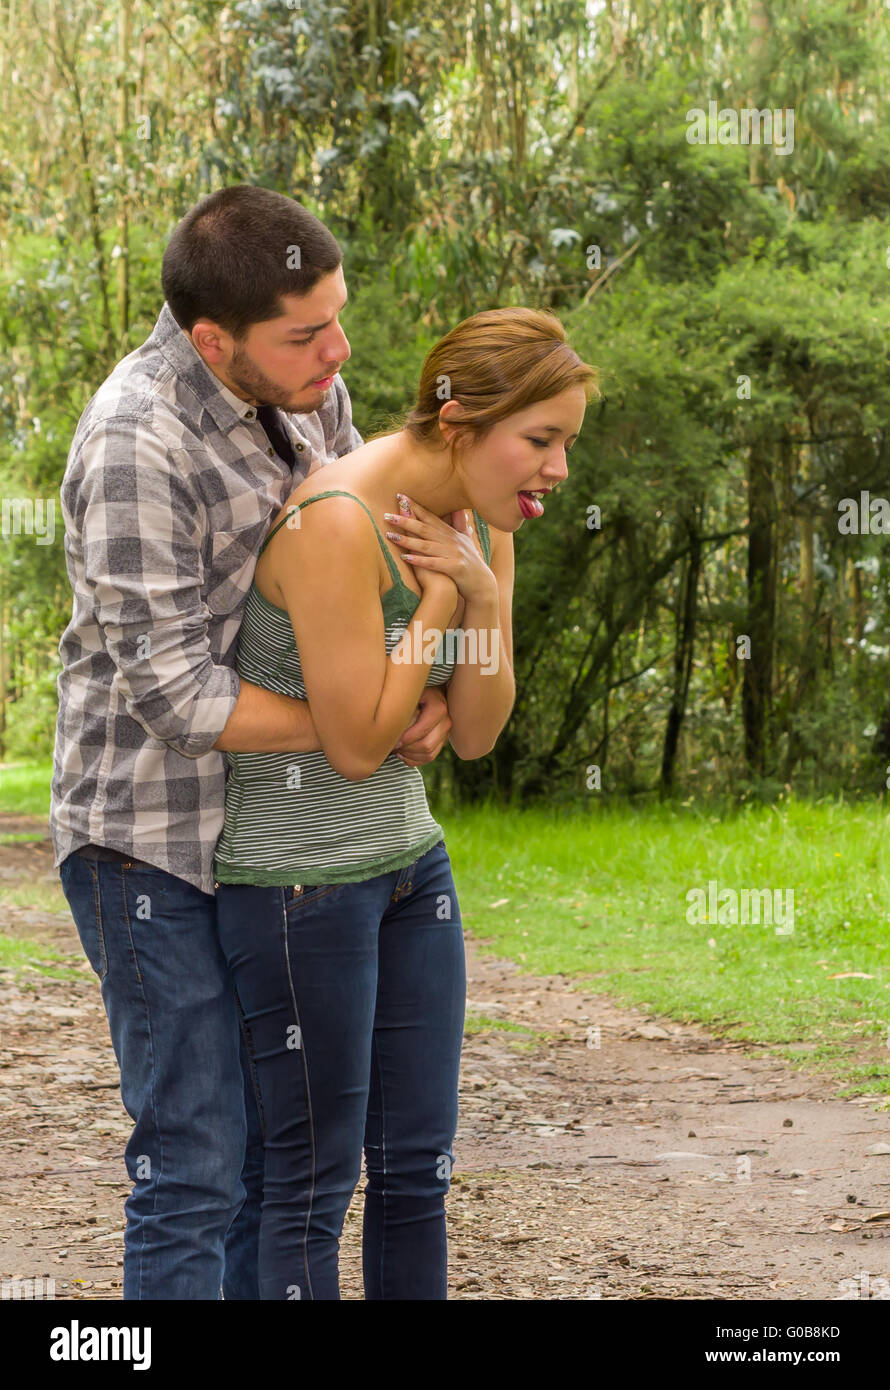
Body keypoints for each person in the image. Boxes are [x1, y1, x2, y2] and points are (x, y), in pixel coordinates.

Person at [50, 183, 454, 1300]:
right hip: (149, 840)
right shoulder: (137, 437)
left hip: (268, 849)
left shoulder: (313, 395)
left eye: (338, 315)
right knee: (196, 1156)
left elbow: (373, 567)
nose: (339, 349)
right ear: (211, 337)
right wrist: (359, 725)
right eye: (305, 333)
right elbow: (177, 696)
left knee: (282, 1159)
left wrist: (412, 689)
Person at [213, 306, 598, 1298]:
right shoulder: (338, 519)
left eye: (565, 443)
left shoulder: (483, 518)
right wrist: (440, 599)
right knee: (309, 1180)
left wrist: (479, 593)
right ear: (461, 421)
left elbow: (474, 729)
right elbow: (353, 743)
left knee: (417, 1171)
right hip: (300, 888)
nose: (555, 469)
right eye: (541, 439)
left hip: (408, 870)